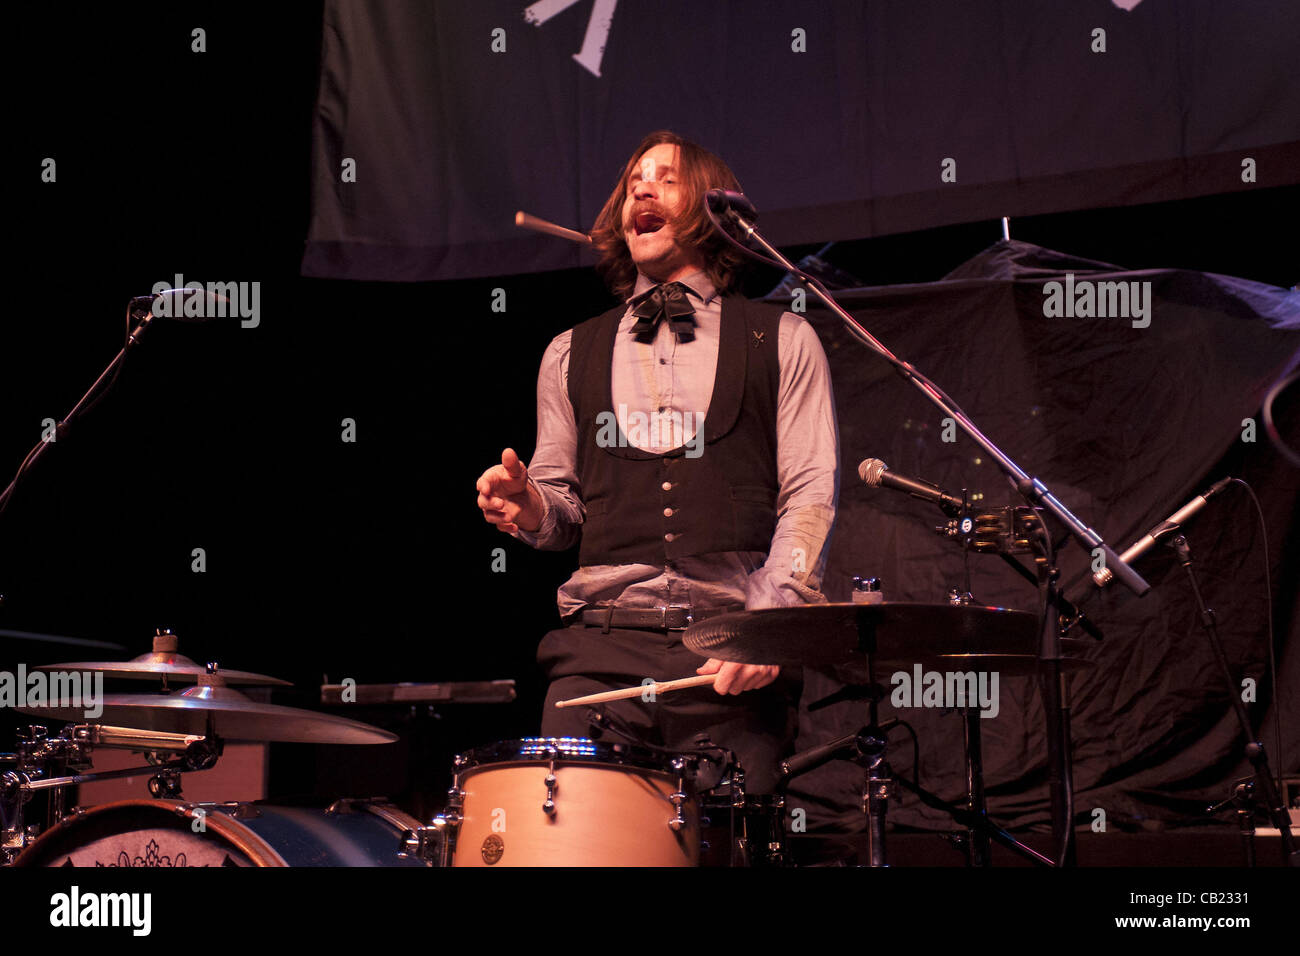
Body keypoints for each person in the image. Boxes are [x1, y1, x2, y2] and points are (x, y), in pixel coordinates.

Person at [475, 130, 838, 792]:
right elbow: (561, 510)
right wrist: (530, 504)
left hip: (725, 656)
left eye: (666, 179)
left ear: (714, 211)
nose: (641, 188)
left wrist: (769, 623)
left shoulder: (783, 339)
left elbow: (809, 496)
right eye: (634, 181)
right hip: (599, 657)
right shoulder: (566, 353)